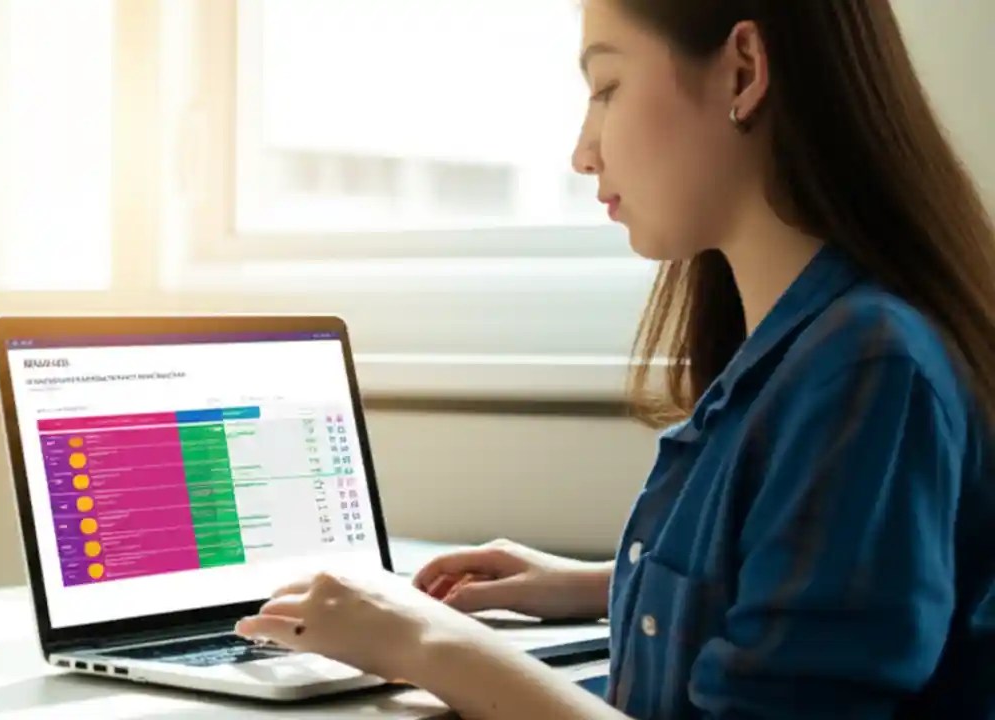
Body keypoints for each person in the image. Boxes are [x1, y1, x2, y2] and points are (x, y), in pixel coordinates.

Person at [234, 1, 995, 717]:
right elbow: (804, 578)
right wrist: (604, 583)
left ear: (742, 71)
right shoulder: (804, 350)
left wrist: (424, 640)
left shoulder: (866, 371)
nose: (582, 151)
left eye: (607, 87)